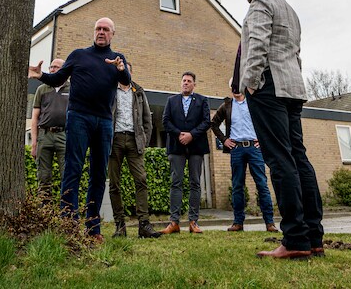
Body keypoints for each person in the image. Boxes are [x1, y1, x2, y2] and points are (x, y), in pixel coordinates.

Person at [236, 0, 323, 259]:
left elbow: (257, 44)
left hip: (268, 86)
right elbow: (296, 53)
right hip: (293, 88)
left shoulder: (261, 3)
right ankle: (314, 238)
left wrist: (249, 83)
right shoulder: (290, 9)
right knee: (299, 158)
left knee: (280, 159)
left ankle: (295, 239)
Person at [29, 17, 130, 242]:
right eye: (98, 28)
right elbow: (58, 78)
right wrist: (40, 75)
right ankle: (69, 225)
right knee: (72, 169)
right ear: (93, 32)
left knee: (98, 173)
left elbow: (126, 82)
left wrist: (122, 69)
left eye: (105, 29)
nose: (101, 32)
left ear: (113, 34)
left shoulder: (117, 59)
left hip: (104, 121)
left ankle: (93, 229)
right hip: (78, 118)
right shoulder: (78, 55)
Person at [211, 88, 277, 233]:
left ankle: (270, 223)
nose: (236, 89)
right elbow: (214, 124)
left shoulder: (253, 102)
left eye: (238, 86)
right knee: (237, 186)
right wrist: (224, 140)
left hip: (255, 148)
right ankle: (238, 222)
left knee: (262, 184)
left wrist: (263, 139)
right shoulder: (227, 106)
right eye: (233, 87)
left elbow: (268, 119)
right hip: (237, 149)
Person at [108, 76, 162, 238]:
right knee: (114, 184)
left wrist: (144, 140)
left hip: (134, 140)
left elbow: (147, 119)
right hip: (114, 140)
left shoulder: (138, 91)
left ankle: (144, 225)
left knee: (141, 180)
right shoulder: (110, 90)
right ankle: (120, 226)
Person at [160, 72, 210, 234]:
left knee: (195, 183)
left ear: (194, 84)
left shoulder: (202, 100)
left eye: (189, 81)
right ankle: (174, 222)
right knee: (176, 182)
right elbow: (165, 121)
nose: (186, 83)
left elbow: (206, 122)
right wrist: (179, 134)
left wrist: (192, 135)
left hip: (196, 146)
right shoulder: (171, 101)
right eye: (184, 81)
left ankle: (193, 222)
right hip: (176, 146)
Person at [30, 58, 68, 196]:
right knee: (43, 176)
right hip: (44, 135)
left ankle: (66, 212)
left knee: (67, 175)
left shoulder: (72, 88)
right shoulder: (42, 89)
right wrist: (34, 143)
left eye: (56, 67)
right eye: (51, 67)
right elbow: (34, 118)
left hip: (64, 135)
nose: (52, 69)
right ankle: (44, 212)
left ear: (64, 70)